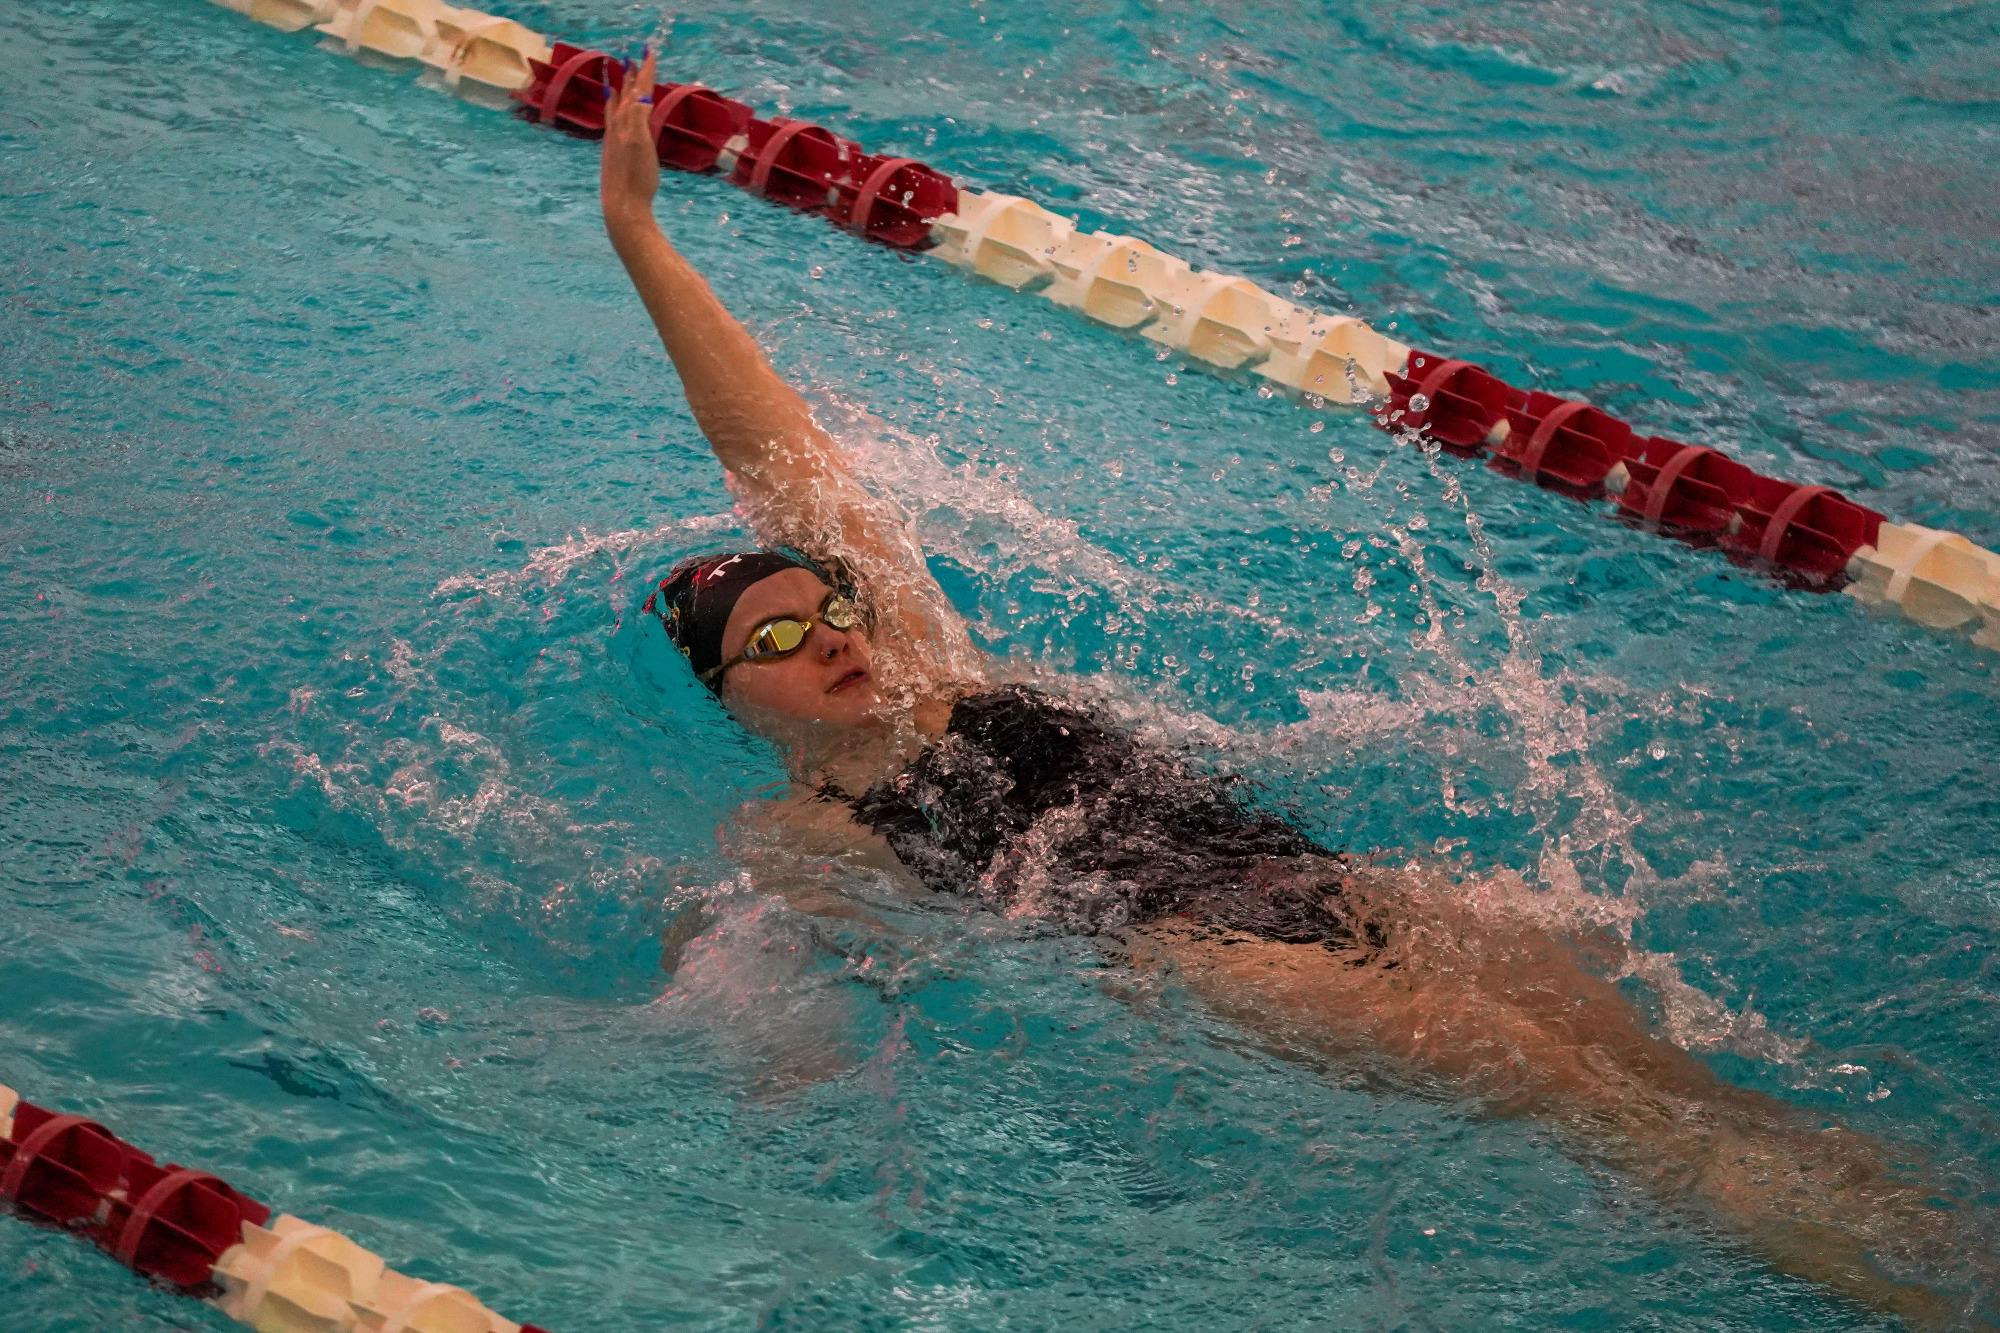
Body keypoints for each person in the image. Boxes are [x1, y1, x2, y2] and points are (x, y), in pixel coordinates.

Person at [599, 53, 1981, 1322]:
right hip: (1212, 955)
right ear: (726, 698)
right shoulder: (804, 835)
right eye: (772, 643)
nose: (828, 636)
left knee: (1672, 1070)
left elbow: (783, 460)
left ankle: (1958, 1239)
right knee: (1594, 1108)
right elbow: (780, 1003)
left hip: (1306, 873)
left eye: (825, 606)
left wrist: (644, 237)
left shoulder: (942, 672)